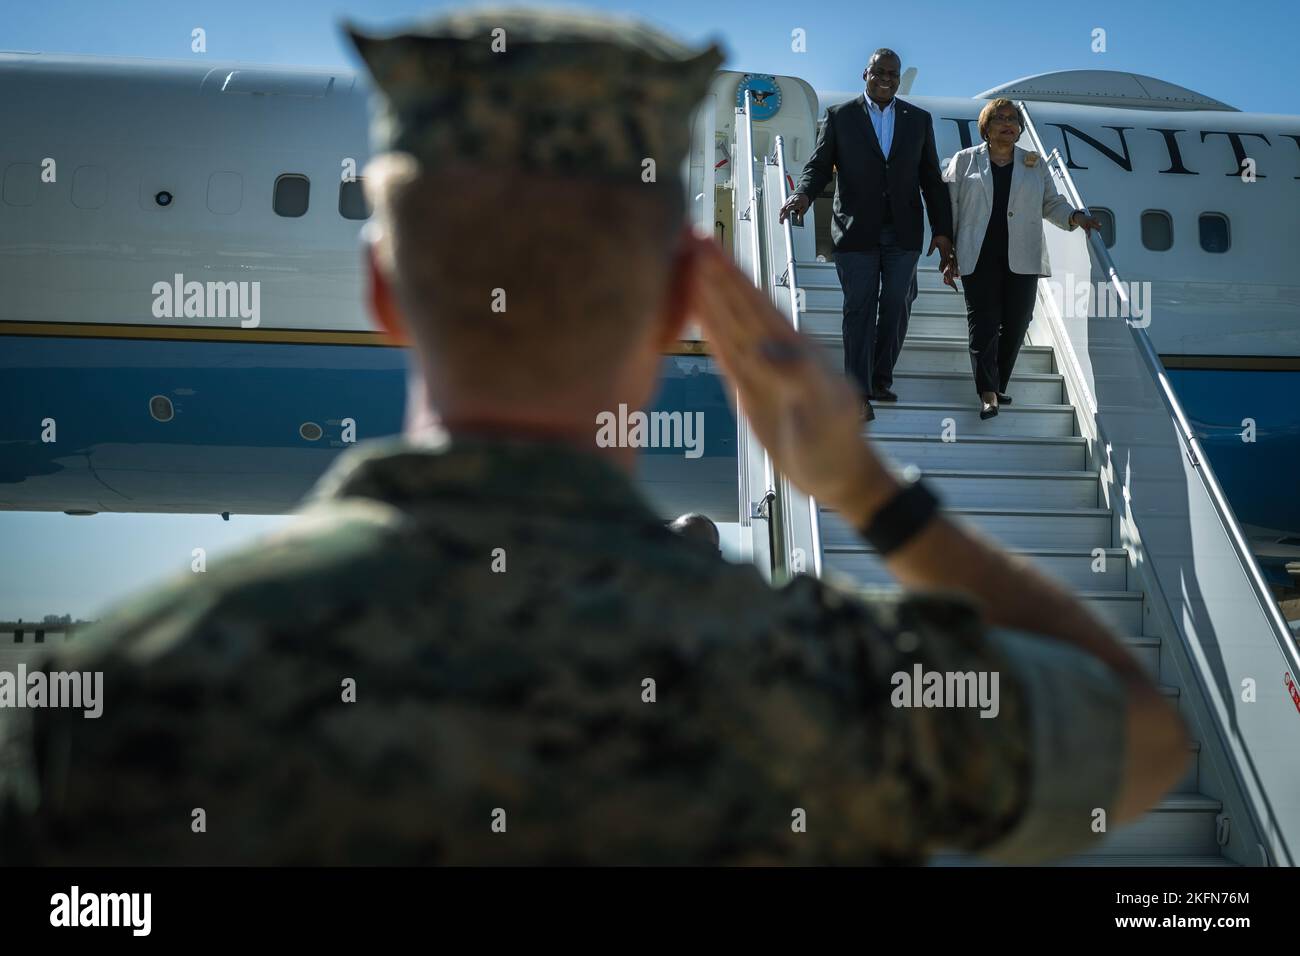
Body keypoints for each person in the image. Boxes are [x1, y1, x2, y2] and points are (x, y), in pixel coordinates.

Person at [0, 8, 1186, 866]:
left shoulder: (108, 698)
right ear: (681, 306)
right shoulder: (818, 682)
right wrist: (872, 495)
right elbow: (1140, 734)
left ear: (380, 293)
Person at [779, 48, 954, 423]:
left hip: (903, 231)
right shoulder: (841, 117)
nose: (886, 78)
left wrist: (942, 231)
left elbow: (931, 181)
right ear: (866, 73)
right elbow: (819, 166)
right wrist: (803, 195)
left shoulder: (918, 120)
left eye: (893, 72)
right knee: (859, 309)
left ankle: (879, 378)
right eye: (879, 71)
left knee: (896, 303)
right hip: (855, 229)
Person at [942, 98, 1102, 419]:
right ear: (986, 127)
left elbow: (1051, 203)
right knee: (984, 323)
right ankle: (988, 393)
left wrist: (1075, 217)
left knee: (1017, 322)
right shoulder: (964, 161)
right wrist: (949, 254)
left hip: (1022, 255)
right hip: (979, 253)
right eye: (999, 118)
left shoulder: (1034, 163)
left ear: (1020, 127)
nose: (1007, 123)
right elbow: (949, 210)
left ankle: (997, 382)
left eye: (1013, 118)